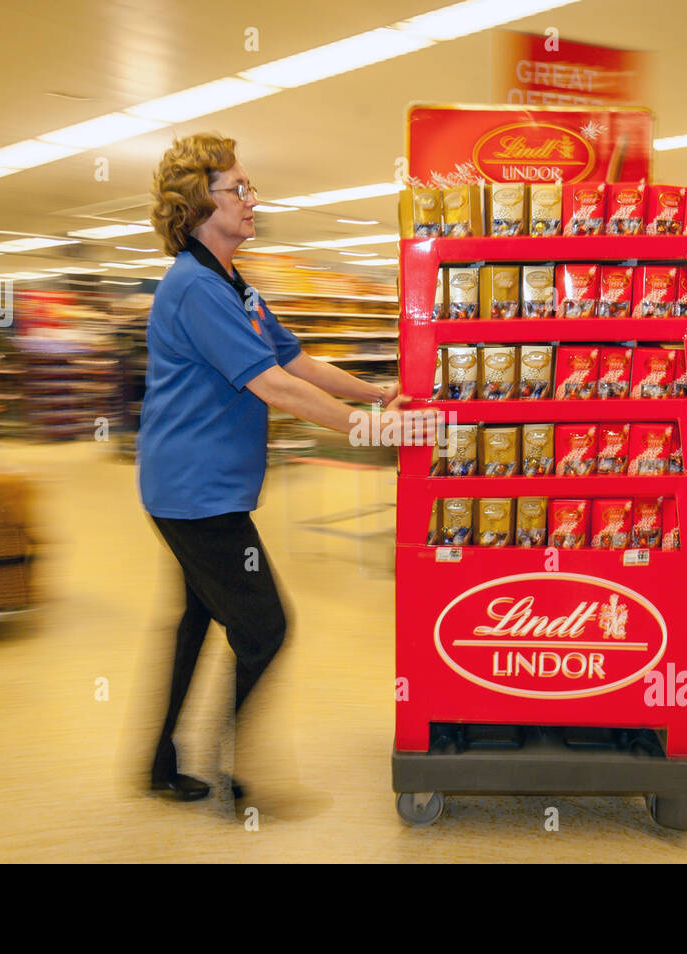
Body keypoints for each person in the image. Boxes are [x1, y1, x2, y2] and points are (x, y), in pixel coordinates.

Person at [137, 133, 427, 808]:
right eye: (238, 188)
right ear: (197, 204)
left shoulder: (233, 287)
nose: (251, 199)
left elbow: (297, 363)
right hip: (196, 496)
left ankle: (158, 763)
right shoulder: (196, 289)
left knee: (196, 620)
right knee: (266, 628)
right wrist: (368, 429)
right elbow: (274, 387)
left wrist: (373, 393)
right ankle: (227, 772)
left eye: (249, 187)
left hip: (195, 490)